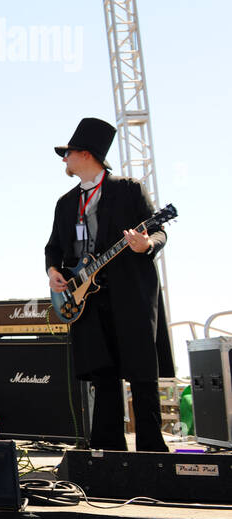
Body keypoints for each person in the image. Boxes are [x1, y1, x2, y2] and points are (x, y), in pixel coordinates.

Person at [45, 117, 172, 452]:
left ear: (86, 154)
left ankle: (152, 452)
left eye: (68, 153)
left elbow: (158, 231)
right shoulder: (65, 203)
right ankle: (109, 451)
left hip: (130, 294)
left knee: (142, 374)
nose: (64, 160)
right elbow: (54, 247)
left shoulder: (128, 189)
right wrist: (53, 272)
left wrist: (146, 245)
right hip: (87, 298)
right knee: (104, 377)